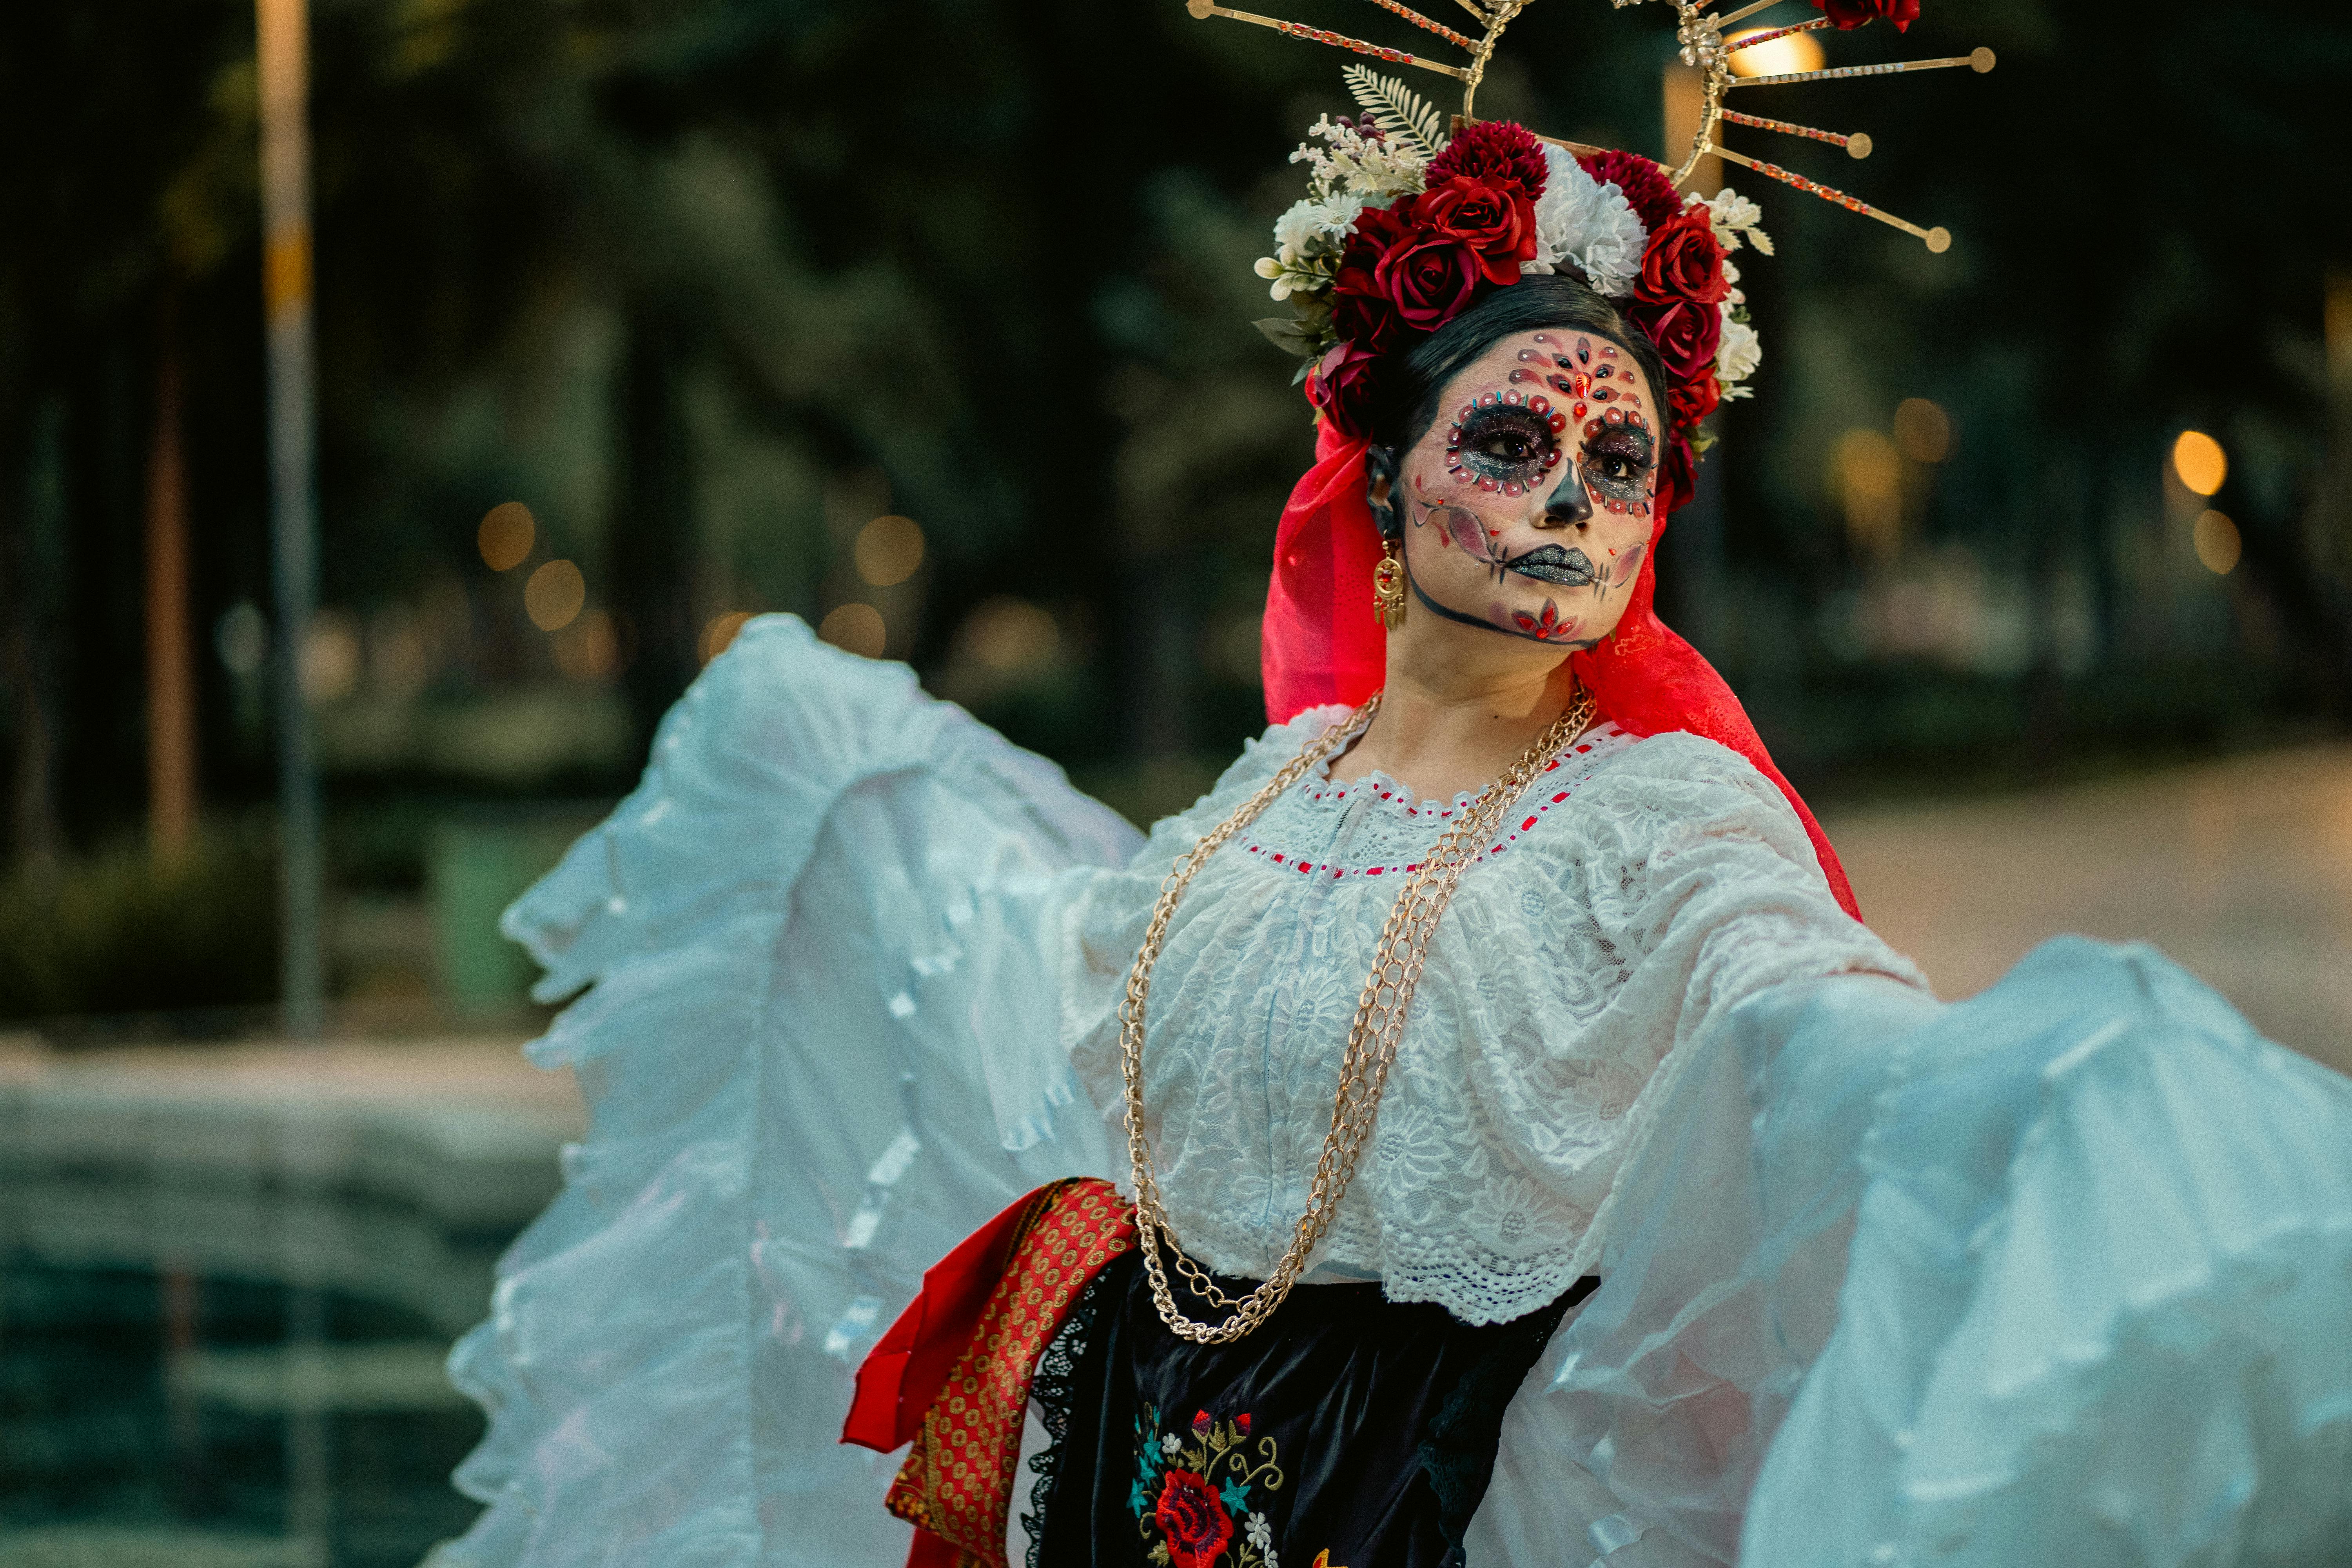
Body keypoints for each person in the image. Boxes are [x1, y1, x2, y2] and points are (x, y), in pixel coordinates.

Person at [429, 111, 2352, 1568]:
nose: (1569, 505)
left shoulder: (1660, 817)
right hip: (1121, 1463)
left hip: (1426, 1499)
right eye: (1511, 444)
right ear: (1382, 473)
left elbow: (1803, 1024)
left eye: (1620, 465)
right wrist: (849, 813)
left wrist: (2022, 1113)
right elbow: (1072, 971)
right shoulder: (1276, 784)